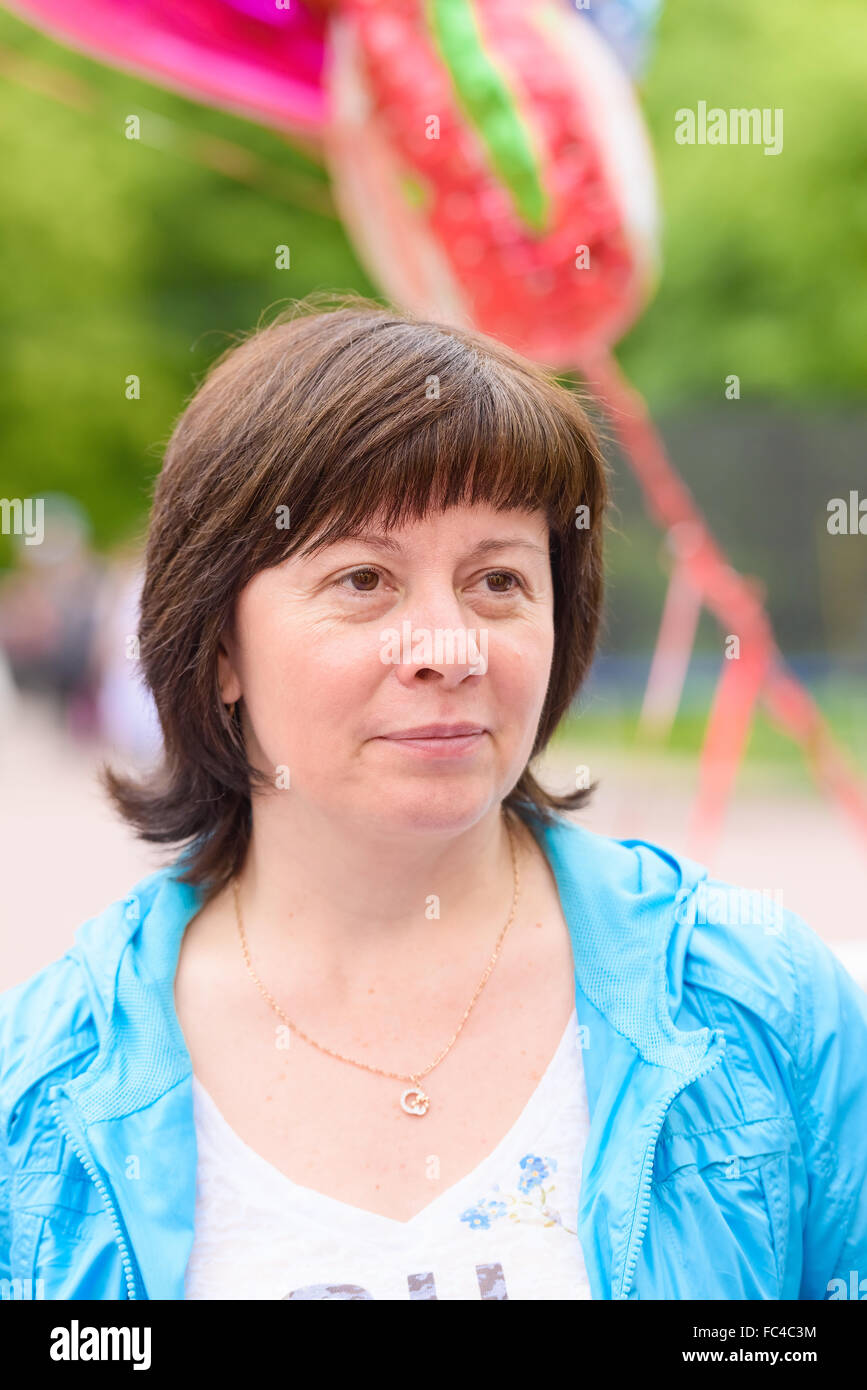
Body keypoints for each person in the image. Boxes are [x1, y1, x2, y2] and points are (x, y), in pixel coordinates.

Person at [1, 292, 866, 1302]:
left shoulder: (763, 1002)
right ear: (221, 645)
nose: (447, 649)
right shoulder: (43, 1095)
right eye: (364, 579)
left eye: (498, 581)